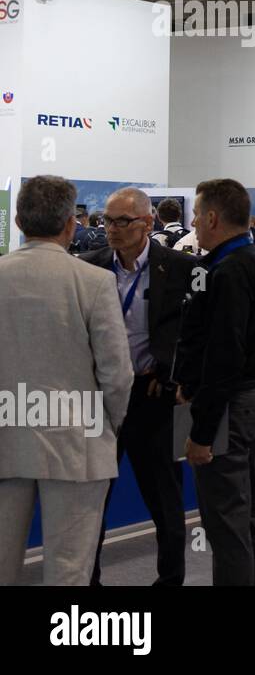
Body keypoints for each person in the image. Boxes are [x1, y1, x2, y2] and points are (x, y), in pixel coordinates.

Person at [0, 176, 132, 586]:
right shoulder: (94, 281)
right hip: (78, 438)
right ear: (71, 224)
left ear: (19, 221)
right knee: (69, 572)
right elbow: (117, 372)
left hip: (5, 433)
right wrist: (109, 422)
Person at [172, 178, 255, 585]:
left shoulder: (228, 269)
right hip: (250, 398)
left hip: (227, 405)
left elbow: (223, 355)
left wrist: (201, 431)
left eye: (198, 215)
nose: (195, 223)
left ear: (213, 217)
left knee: (226, 525)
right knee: (247, 515)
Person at [82, 187, 193, 587]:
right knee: (92, 500)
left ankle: (171, 580)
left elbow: (195, 332)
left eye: (122, 221)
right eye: (107, 220)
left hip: (155, 398)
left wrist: (174, 377)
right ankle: (86, 581)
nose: (111, 229)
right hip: (100, 400)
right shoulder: (88, 267)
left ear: (147, 223)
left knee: (165, 500)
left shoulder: (181, 268)